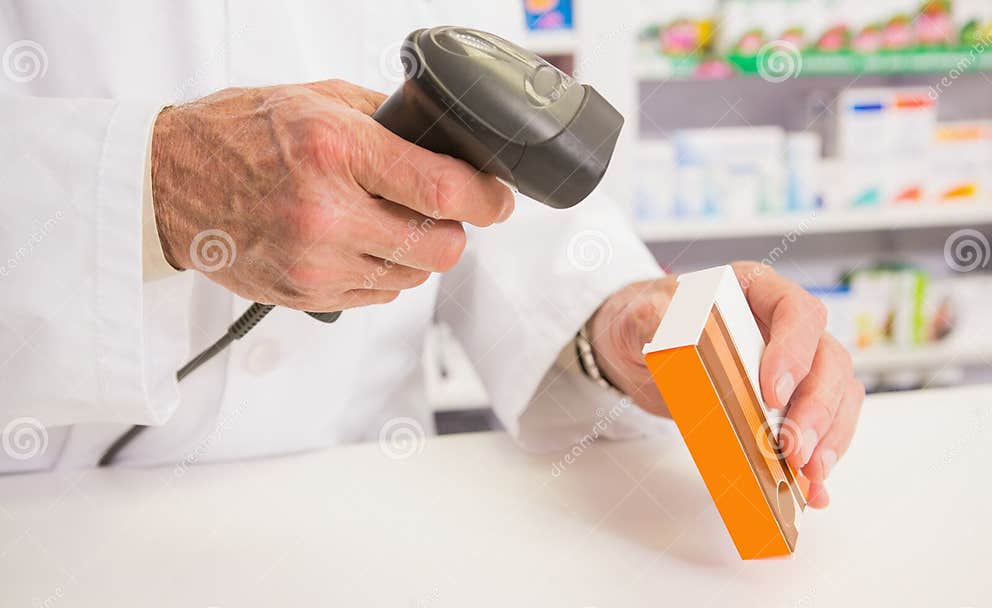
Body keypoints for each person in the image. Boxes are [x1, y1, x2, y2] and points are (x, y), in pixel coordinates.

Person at [0, 1, 861, 507]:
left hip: (369, 505)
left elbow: (490, 174)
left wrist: (617, 319)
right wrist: (152, 182)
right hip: (44, 512)